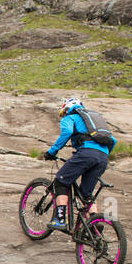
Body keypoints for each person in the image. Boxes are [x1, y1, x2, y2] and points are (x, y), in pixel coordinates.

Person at [43, 96, 111, 231]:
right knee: (86, 193)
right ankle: (94, 222)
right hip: (103, 157)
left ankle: (60, 220)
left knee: (60, 181)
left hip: (86, 154)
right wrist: (101, 155)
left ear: (67, 109)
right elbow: (112, 141)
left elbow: (67, 132)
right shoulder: (94, 122)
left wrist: (52, 152)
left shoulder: (70, 118)